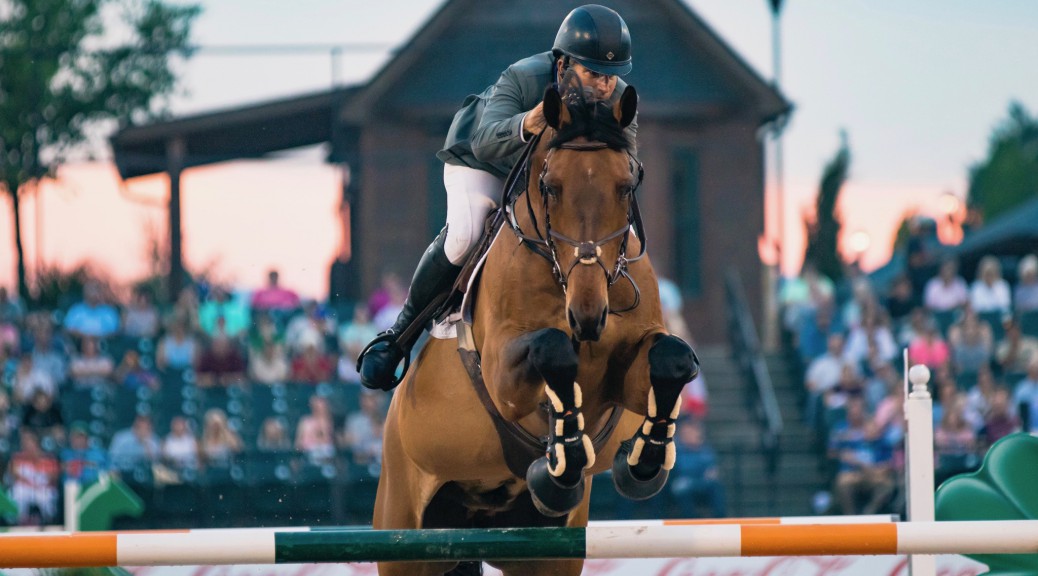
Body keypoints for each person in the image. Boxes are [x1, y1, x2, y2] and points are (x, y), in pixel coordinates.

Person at [357, 4, 637, 391]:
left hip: (546, 179)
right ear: (563, 65)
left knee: (613, 234)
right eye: (593, 73)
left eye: (611, 75)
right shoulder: (524, 76)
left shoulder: (619, 99)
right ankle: (399, 335)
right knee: (465, 235)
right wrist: (528, 122)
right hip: (483, 163)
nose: (604, 86)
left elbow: (625, 166)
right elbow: (485, 142)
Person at [668, 418, 726, 518]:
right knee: (682, 488)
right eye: (687, 433)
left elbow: (711, 472)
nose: (692, 435)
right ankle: (690, 520)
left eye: (694, 432)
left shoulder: (706, 451)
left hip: (701, 484)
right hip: (682, 486)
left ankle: (720, 519)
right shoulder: (675, 451)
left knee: (715, 487)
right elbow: (679, 471)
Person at [8, 429, 60, 525]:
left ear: (36, 443)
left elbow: (54, 476)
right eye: (25, 444)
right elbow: (15, 474)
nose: (27, 446)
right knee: (18, 492)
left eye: (30, 443)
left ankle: (49, 521)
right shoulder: (18, 457)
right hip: (26, 487)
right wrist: (30, 483)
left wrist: (41, 482)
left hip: (43, 487)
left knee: (46, 497)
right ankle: (18, 521)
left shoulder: (47, 457)